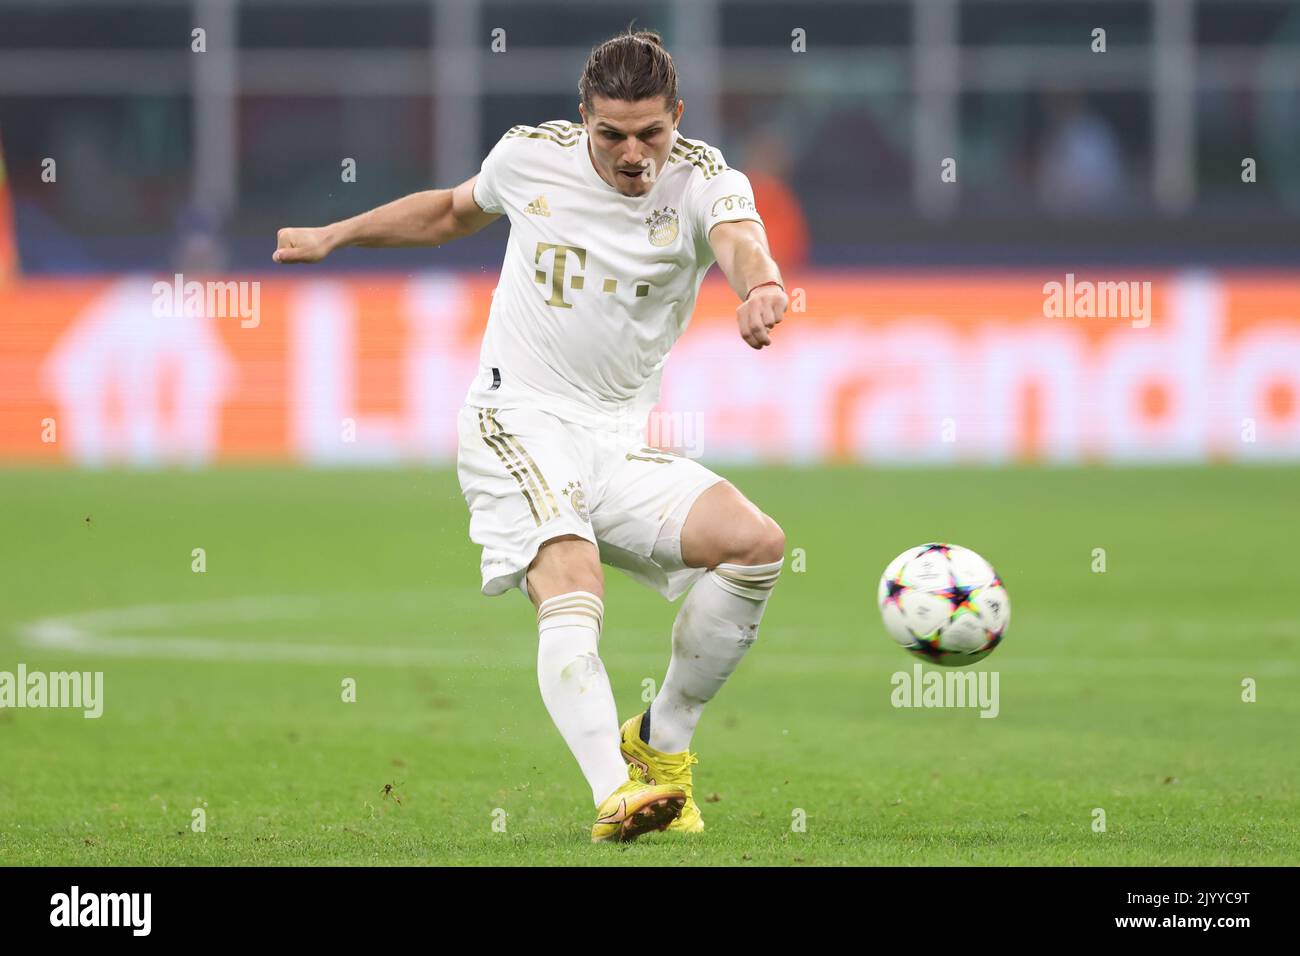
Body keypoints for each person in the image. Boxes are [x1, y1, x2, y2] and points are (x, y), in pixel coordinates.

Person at [273, 29, 788, 843]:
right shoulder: (529, 157)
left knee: (755, 544)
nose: (631, 154)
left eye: (650, 133)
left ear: (676, 119)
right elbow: (447, 212)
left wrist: (760, 287)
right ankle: (614, 792)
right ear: (583, 118)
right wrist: (335, 236)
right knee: (572, 571)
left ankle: (662, 743)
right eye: (610, 133)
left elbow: (740, 242)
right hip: (516, 420)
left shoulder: (705, 179)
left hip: (615, 442)